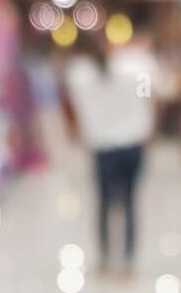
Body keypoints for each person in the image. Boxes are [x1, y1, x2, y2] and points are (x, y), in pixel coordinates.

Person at [61, 22, 158, 274]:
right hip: (133, 142)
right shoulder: (136, 67)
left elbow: (73, 110)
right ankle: (128, 261)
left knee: (104, 203)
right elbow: (152, 96)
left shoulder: (78, 75)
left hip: (103, 146)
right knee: (129, 202)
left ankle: (104, 259)